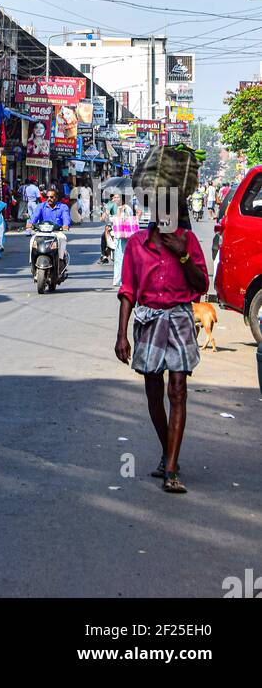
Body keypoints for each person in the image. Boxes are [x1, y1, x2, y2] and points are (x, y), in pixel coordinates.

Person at [115, 211, 209, 494]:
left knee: (178, 391)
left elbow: (202, 285)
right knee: (154, 394)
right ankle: (168, 452)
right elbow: (128, 291)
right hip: (149, 321)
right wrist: (121, 335)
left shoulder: (188, 241)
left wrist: (183, 255)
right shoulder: (136, 244)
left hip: (180, 318)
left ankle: (170, 469)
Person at [28, 185, 71, 275]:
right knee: (32, 240)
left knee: (62, 239)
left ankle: (60, 260)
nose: (49, 199)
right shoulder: (41, 206)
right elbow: (34, 216)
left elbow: (66, 218)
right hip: (42, 232)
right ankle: (32, 262)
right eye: (47, 197)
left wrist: (66, 225)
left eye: (52, 197)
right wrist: (30, 223)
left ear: (56, 197)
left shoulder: (63, 207)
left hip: (56, 233)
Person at [111, 195, 139, 288]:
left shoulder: (125, 208)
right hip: (121, 237)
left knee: (121, 259)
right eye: (113, 197)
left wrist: (119, 212)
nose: (114, 199)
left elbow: (123, 221)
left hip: (124, 237)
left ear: (122, 199)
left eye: (116, 197)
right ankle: (119, 279)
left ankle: (122, 280)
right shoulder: (120, 208)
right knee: (119, 258)